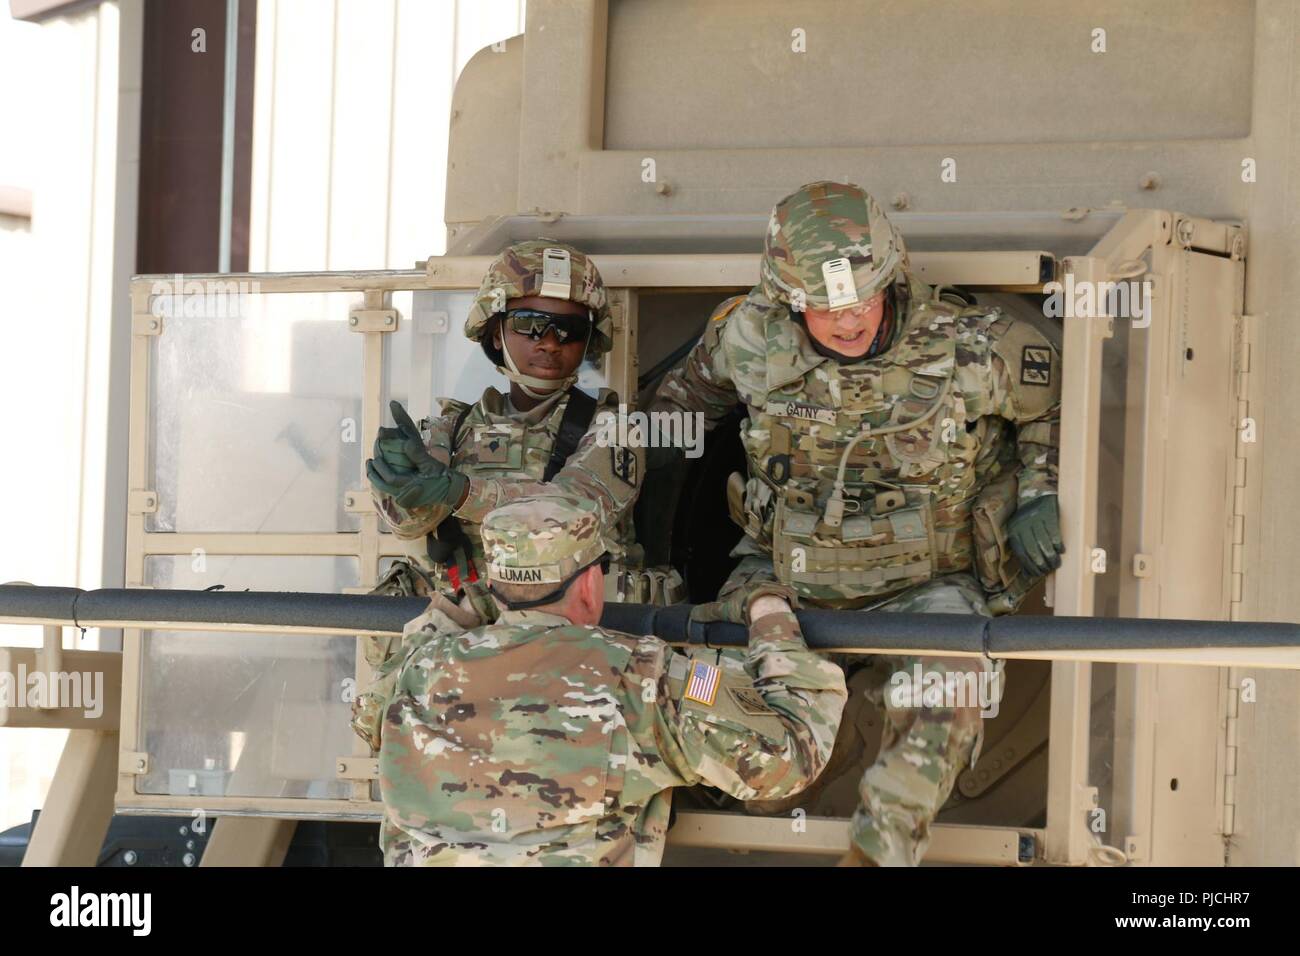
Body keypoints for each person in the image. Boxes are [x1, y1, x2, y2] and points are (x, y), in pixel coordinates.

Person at [649, 181, 1064, 866]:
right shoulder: (748, 342)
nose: (847, 322)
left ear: (892, 274)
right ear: (788, 299)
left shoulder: (973, 347)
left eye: (862, 298)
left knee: (949, 691)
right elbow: (669, 412)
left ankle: (877, 856)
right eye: (823, 307)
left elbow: (1053, 406)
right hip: (779, 584)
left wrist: (1038, 491)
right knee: (725, 718)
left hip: (926, 588)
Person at [377, 495, 847, 866]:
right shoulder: (636, 675)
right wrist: (768, 612)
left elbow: (369, 716)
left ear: (498, 584)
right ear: (589, 584)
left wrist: (462, 613)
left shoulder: (421, 666)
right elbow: (790, 755)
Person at [353, 241, 681, 750]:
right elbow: (409, 522)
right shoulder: (449, 426)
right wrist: (396, 485)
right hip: (457, 645)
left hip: (567, 651)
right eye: (529, 324)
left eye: (568, 331)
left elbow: (573, 508)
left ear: (587, 341)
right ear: (496, 328)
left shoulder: (614, 428)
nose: (548, 342)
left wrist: (459, 491)